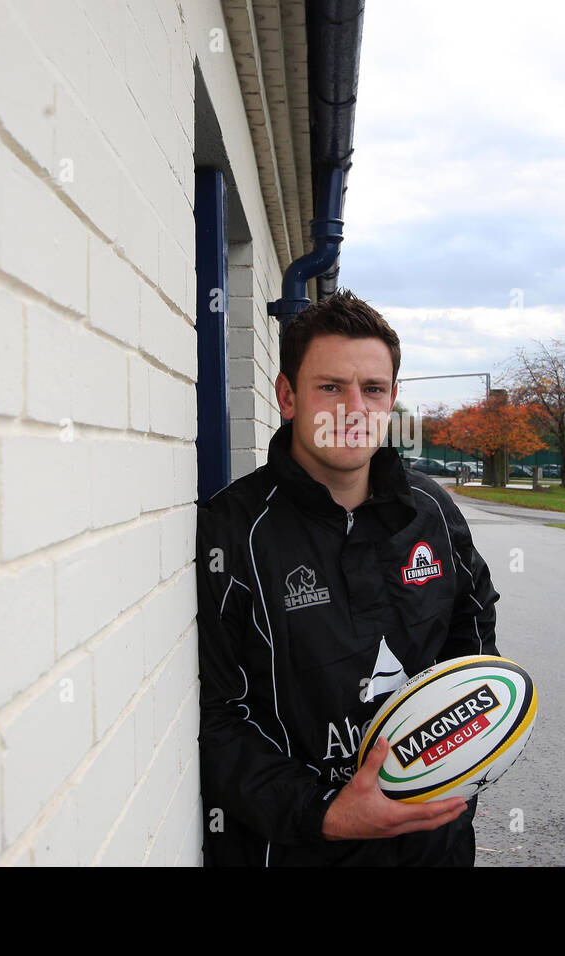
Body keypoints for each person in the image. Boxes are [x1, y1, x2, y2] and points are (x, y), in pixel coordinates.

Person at [195, 289, 500, 866]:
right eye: (330, 387)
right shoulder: (231, 534)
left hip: (433, 847)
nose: (353, 409)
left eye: (374, 389)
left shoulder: (431, 512)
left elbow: (474, 626)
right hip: (297, 850)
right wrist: (325, 813)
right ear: (287, 396)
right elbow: (216, 715)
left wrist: (468, 748)